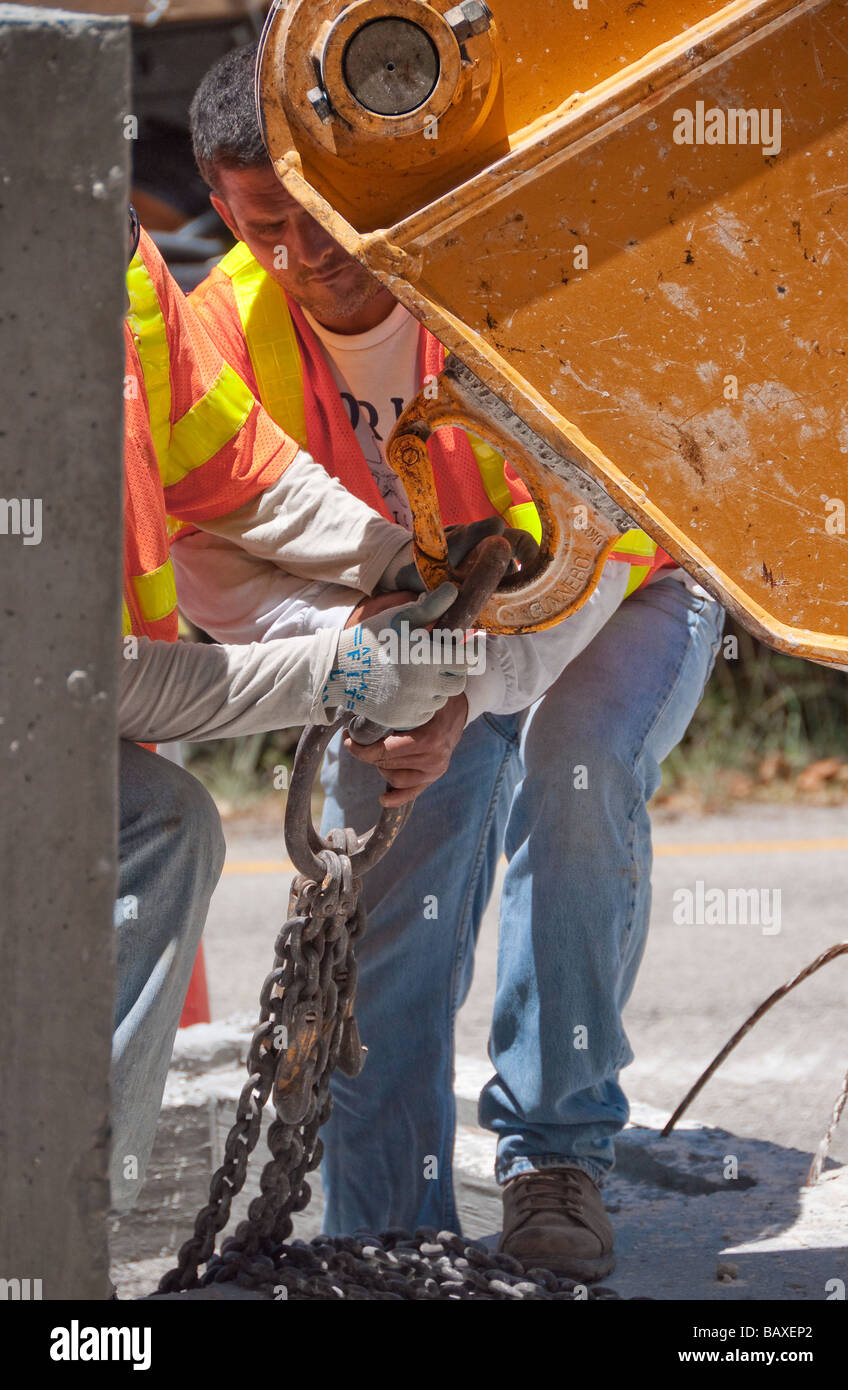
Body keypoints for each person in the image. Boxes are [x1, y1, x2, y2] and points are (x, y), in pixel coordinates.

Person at [179, 44, 726, 1280]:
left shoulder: (502, 273)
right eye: (267, 230)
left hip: (625, 585)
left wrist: (463, 690)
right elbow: (219, 563)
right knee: (383, 828)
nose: (305, 258)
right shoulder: (217, 336)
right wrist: (364, 686)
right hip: (406, 639)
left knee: (574, 767)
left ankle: (554, 1155)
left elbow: (601, 525)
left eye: (322, 220)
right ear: (223, 207)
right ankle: (392, 1219)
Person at [112, 210, 471, 1212]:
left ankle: (65, 1230)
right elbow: (70, 682)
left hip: (72, 731)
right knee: (155, 826)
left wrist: (394, 562)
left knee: (157, 821)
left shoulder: (122, 264)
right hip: (58, 710)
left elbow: (246, 478)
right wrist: (345, 670)